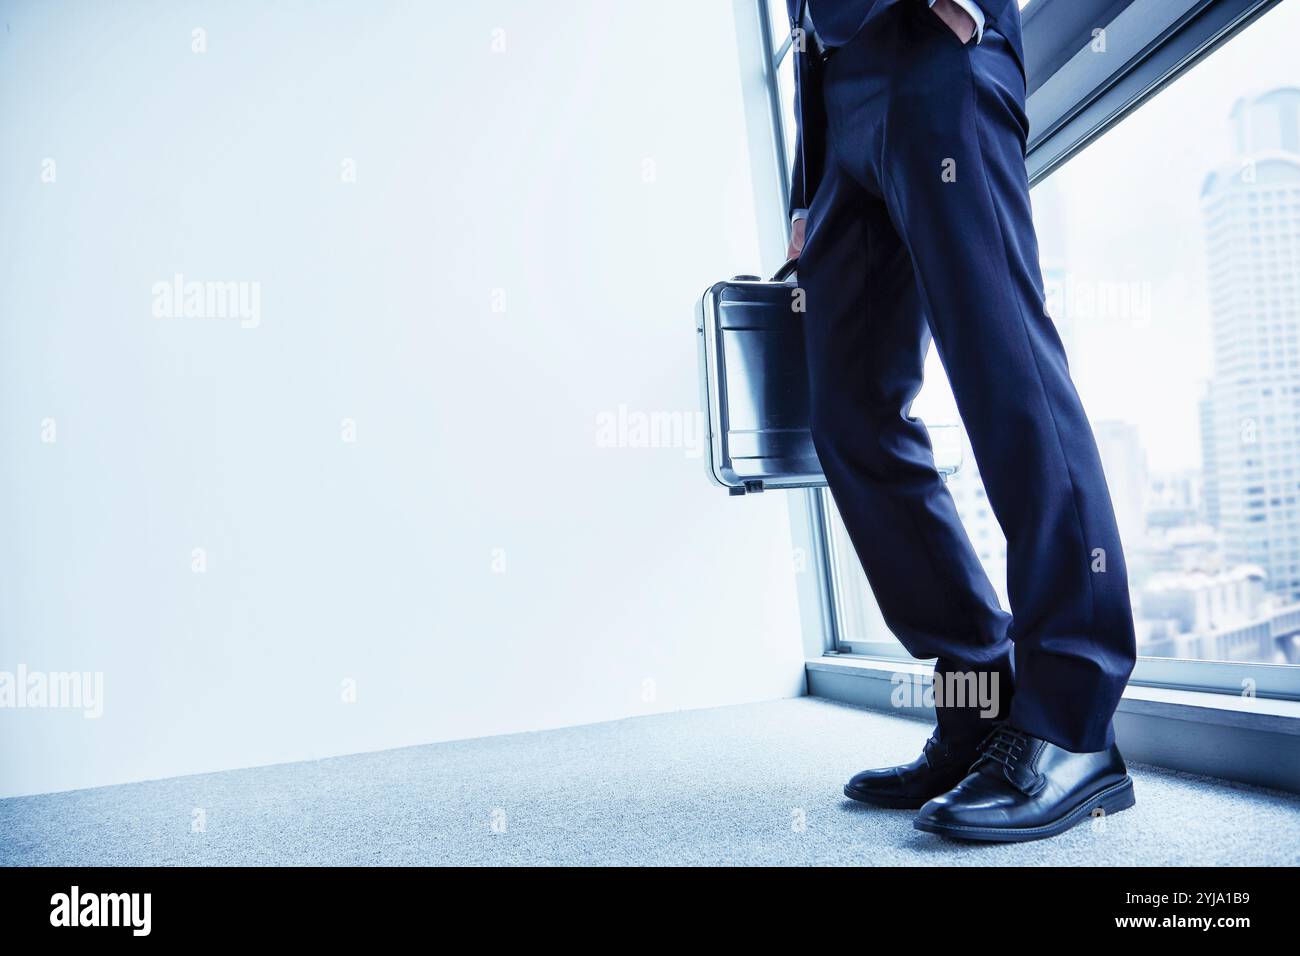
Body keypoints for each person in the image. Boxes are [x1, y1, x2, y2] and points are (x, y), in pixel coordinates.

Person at [785, 0, 1138, 842]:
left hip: (936, 50)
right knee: (849, 414)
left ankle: (1074, 722)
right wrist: (811, 173)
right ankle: (979, 699)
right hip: (840, 98)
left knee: (1005, 372)